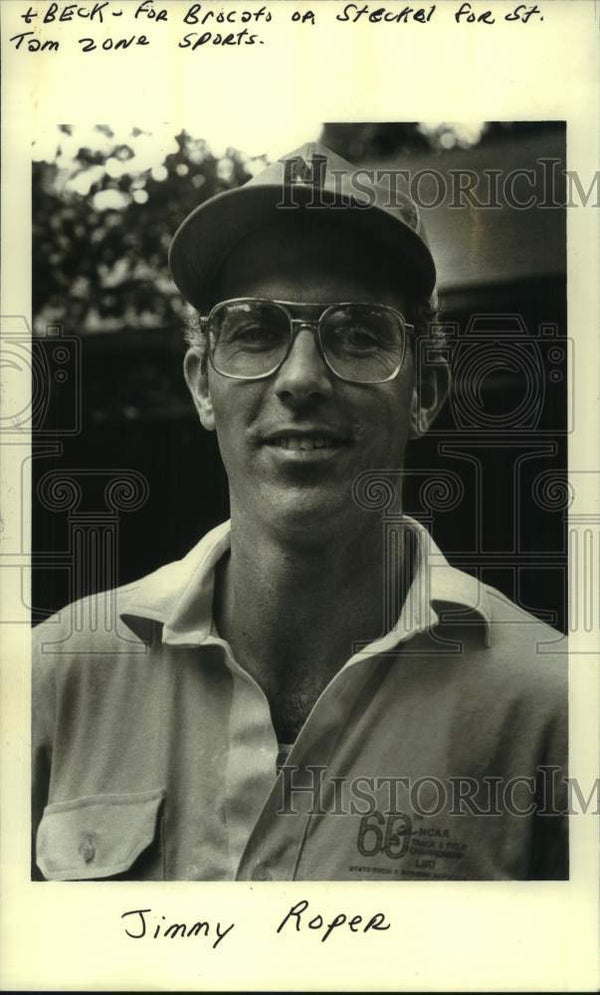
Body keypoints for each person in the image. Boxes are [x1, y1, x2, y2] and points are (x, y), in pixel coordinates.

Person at [32, 142, 568, 882]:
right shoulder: (56, 676)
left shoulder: (551, 708)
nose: (303, 378)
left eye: (358, 334)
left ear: (426, 391)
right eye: (255, 329)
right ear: (200, 385)